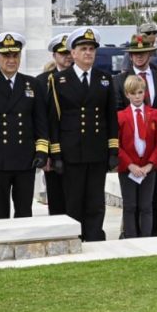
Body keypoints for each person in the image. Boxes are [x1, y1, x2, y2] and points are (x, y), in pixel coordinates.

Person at [48, 26, 119, 241]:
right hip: (71, 152)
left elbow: (111, 117)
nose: (88, 52)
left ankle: (95, 235)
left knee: (96, 200)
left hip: (96, 150)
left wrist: (113, 149)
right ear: (73, 53)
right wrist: (56, 154)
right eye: (83, 49)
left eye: (91, 49)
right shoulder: (59, 80)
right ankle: (75, 237)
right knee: (74, 199)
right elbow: (54, 120)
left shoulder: (104, 79)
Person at [0, 33, 49, 219]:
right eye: (6, 56)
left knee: (24, 211)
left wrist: (41, 152)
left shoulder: (33, 84)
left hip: (25, 158)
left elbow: (40, 122)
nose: (11, 60)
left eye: (15, 56)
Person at [113, 33, 157, 237]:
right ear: (130, 56)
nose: (139, 57)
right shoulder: (119, 81)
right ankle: (131, 234)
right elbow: (116, 110)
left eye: (143, 53)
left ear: (150, 54)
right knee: (132, 201)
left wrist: (154, 127)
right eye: (135, 54)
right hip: (130, 151)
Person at [117, 75, 157, 237]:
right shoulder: (121, 116)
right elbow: (118, 145)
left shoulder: (155, 114)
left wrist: (149, 165)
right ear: (127, 94)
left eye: (139, 92)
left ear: (144, 93)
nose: (137, 96)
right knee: (130, 205)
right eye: (133, 93)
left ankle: (146, 239)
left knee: (146, 206)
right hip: (128, 169)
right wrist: (130, 165)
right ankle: (131, 237)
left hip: (148, 168)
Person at [38, 34, 73, 216]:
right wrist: (45, 153)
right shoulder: (42, 81)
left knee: (77, 198)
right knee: (57, 198)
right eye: (62, 53)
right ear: (54, 55)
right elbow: (40, 119)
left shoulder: (81, 76)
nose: (67, 56)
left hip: (76, 148)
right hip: (53, 148)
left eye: (69, 52)